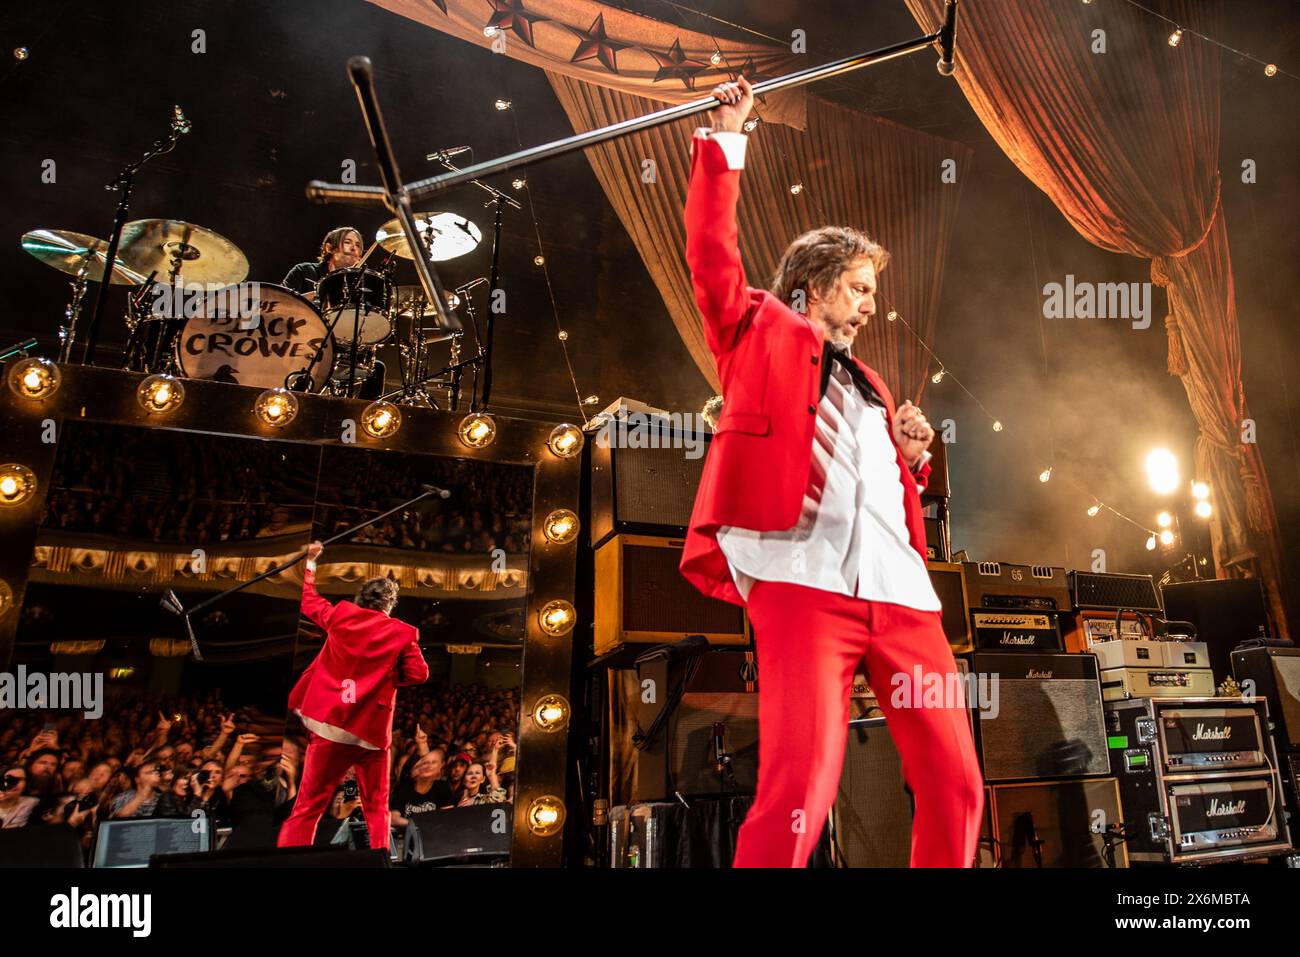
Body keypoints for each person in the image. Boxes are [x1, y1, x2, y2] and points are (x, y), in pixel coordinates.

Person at [678, 76, 984, 868]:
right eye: (859, 287)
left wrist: (910, 463)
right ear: (812, 286)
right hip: (801, 579)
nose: (871, 305)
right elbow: (711, 255)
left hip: (903, 595)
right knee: (800, 792)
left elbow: (872, 482)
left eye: (872, 291)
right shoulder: (756, 326)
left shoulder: (873, 383)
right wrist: (728, 137)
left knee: (957, 783)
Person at [277, 541, 430, 851]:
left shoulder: (339, 616)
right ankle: (379, 860)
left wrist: (309, 562)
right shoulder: (402, 632)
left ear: (360, 600)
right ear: (390, 604)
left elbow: (308, 599)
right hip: (371, 734)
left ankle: (291, 860)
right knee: (376, 807)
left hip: (331, 726)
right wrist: (386, 677)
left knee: (307, 808)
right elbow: (419, 674)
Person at [281, 226, 385, 399]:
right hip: (302, 345)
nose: (354, 248)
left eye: (358, 245)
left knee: (376, 368)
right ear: (329, 248)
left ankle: (359, 420)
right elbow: (280, 302)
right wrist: (315, 295)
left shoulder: (361, 285)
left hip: (341, 350)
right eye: (347, 242)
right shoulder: (305, 271)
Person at [389, 748, 454, 829]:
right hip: (406, 836)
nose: (428, 766)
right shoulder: (403, 787)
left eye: (433, 763)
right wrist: (418, 824)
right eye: (425, 763)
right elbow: (394, 819)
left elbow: (448, 819)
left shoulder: (443, 787)